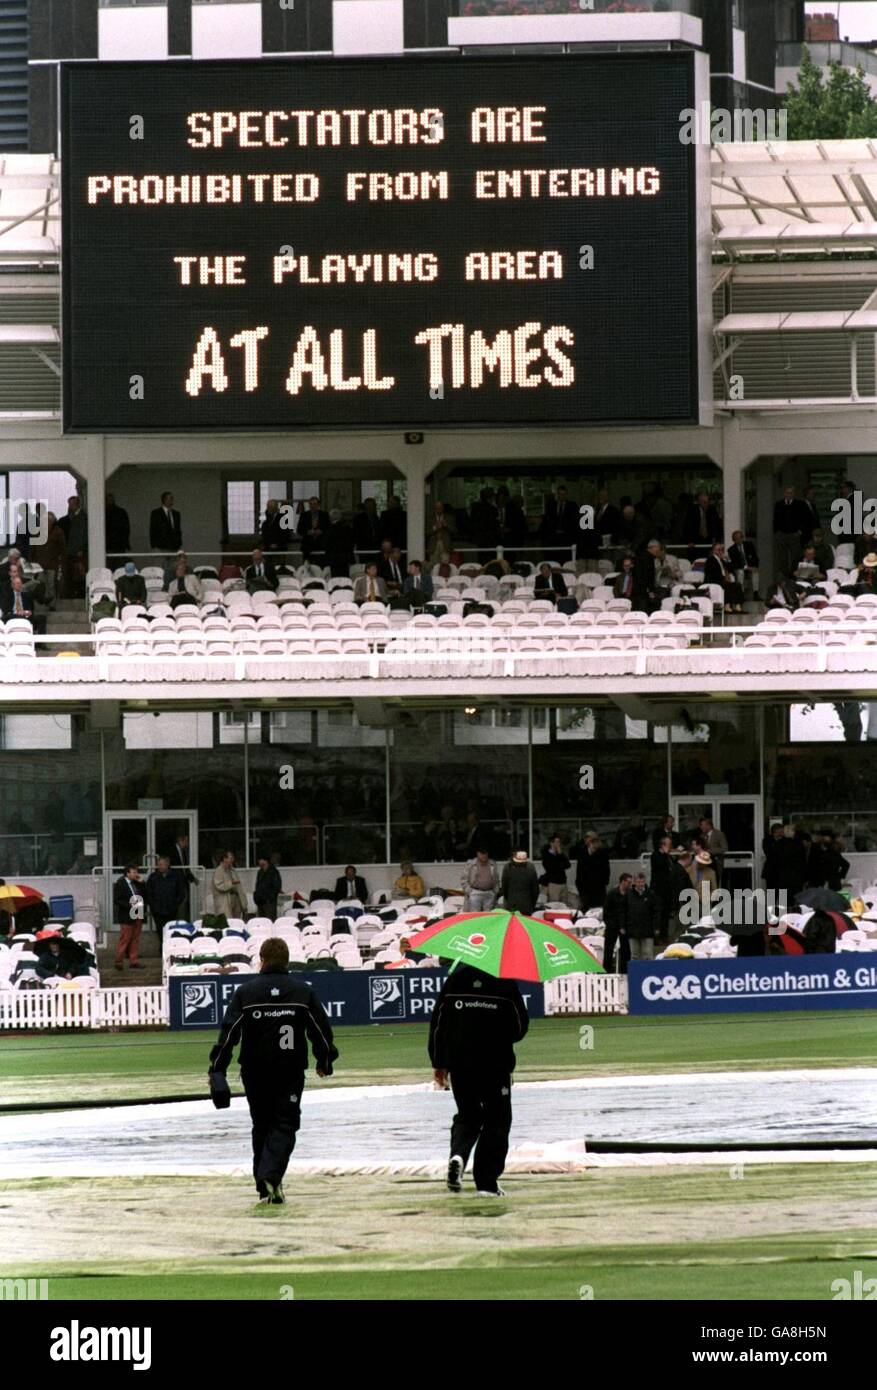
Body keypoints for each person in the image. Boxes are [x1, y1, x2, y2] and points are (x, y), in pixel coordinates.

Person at [209, 936, 338, 1205]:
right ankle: (270, 1175)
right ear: (287, 961)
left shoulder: (245, 992)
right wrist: (324, 1061)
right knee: (285, 1124)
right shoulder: (303, 992)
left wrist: (217, 1069)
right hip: (289, 1072)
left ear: (262, 960)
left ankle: (266, 1184)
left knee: (262, 1126)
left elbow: (228, 1034)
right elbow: (321, 1032)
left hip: (254, 1072)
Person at [429, 962, 529, 1198]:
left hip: (460, 1062)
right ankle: (486, 1182)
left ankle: (459, 1156)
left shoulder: (455, 979)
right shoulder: (505, 982)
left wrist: (438, 1061)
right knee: (498, 1119)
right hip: (495, 1063)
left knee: (467, 1115)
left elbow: (438, 1023)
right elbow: (519, 1027)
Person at [113, 864, 145, 971]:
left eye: (136, 872)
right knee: (125, 938)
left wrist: (142, 883)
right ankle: (119, 961)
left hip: (137, 912)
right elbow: (117, 900)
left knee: (135, 938)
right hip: (127, 914)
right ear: (127, 873)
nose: (136, 874)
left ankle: (134, 961)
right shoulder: (120, 883)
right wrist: (129, 905)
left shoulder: (136, 883)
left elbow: (143, 894)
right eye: (133, 872)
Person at [773, 486, 807, 577]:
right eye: (787, 493)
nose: (789, 494)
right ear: (784, 493)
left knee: (796, 557)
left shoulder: (799, 504)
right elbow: (776, 519)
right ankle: (784, 577)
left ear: (793, 494)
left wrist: (800, 531)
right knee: (782, 558)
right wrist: (777, 532)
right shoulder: (779, 504)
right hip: (782, 534)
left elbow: (803, 519)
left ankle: (795, 576)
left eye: (791, 493)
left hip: (794, 534)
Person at [145, 856, 184, 937]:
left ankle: (169, 948)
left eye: (162, 864)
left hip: (171, 909)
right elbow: (148, 893)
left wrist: (175, 905)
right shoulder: (153, 877)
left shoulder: (176, 876)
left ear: (167, 864)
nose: (160, 867)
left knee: (171, 930)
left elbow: (181, 893)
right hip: (157, 910)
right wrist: (153, 906)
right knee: (160, 930)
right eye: (159, 864)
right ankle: (162, 947)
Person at [572, 832, 610, 911]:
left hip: (599, 888)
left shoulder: (602, 854)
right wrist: (580, 888)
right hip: (585, 889)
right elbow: (579, 872)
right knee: (586, 910)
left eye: (596, 847)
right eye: (593, 847)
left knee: (599, 910)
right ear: (589, 844)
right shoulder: (582, 854)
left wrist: (605, 882)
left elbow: (606, 870)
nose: (594, 849)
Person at [602, 873, 632, 974]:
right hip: (612, 926)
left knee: (625, 951)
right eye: (628, 882)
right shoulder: (611, 894)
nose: (630, 884)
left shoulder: (630, 894)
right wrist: (611, 924)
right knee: (609, 950)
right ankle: (607, 972)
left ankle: (624, 972)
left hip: (625, 927)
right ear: (622, 882)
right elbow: (606, 912)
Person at [626, 871, 659, 962]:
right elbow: (623, 911)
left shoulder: (651, 894)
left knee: (648, 955)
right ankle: (636, 975)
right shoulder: (628, 895)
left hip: (647, 929)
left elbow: (656, 912)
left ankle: (650, 974)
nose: (640, 884)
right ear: (634, 882)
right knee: (634, 955)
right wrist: (623, 925)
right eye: (638, 882)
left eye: (642, 882)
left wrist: (656, 927)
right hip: (633, 929)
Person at [704, 541, 744, 614]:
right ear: (714, 551)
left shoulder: (721, 560)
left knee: (737, 585)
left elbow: (731, 568)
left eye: (721, 550)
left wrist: (727, 560)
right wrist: (724, 578)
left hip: (722, 580)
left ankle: (738, 606)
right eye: (718, 550)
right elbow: (713, 573)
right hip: (714, 581)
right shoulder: (711, 559)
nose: (720, 552)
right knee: (726, 584)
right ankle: (727, 606)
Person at [500, 849, 539, 915]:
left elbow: (504, 889)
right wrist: (532, 904)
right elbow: (535, 891)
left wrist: (509, 899)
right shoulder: (531, 872)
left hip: (512, 905)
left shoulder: (508, 872)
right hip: (527, 906)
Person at [728, 530, 760, 602]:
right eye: (736, 539)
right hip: (739, 568)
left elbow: (755, 558)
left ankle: (756, 593)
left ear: (742, 538)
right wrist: (746, 567)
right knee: (740, 573)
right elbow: (735, 564)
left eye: (740, 538)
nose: (738, 540)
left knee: (755, 572)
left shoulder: (749, 545)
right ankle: (741, 594)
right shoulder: (731, 550)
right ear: (734, 540)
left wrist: (755, 567)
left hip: (750, 567)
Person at [212, 850, 246, 919]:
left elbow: (239, 887)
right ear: (225, 859)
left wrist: (243, 903)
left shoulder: (232, 870)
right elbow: (219, 886)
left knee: (236, 922)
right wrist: (231, 883)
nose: (232, 860)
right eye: (231, 858)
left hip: (235, 900)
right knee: (227, 922)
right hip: (225, 901)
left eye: (232, 858)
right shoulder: (219, 871)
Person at [171, 832, 197, 920]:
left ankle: (182, 922)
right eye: (186, 841)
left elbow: (185, 868)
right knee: (178, 905)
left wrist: (192, 878)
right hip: (175, 884)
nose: (187, 844)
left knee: (183, 904)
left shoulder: (183, 852)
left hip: (182, 883)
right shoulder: (171, 851)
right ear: (180, 841)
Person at [540, 834, 572, 904]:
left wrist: (560, 854)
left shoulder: (560, 853)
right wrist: (560, 859)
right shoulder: (546, 855)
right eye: (557, 842)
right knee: (554, 904)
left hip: (563, 881)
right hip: (554, 882)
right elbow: (552, 868)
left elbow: (568, 865)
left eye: (559, 842)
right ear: (551, 843)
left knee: (564, 904)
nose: (559, 844)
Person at [297, 495, 330, 559]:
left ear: (318, 505)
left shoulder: (325, 515)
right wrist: (307, 532)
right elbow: (299, 530)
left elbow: (329, 529)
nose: (312, 506)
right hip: (307, 547)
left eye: (314, 504)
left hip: (321, 546)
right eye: (311, 504)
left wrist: (322, 532)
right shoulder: (304, 515)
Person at [324, 509, 355, 578]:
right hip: (345, 558)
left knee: (336, 579)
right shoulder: (347, 528)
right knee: (345, 577)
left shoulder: (330, 530)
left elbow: (325, 544)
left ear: (331, 518)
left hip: (334, 559)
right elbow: (351, 543)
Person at [105, 492, 131, 566]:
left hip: (117, 544)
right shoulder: (121, 512)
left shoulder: (120, 512)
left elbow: (126, 528)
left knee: (118, 565)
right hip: (111, 544)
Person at [253, 854, 282, 920]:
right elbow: (258, 885)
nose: (259, 862)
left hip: (269, 902)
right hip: (260, 901)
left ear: (265, 860)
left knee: (270, 920)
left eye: (260, 860)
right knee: (261, 921)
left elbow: (277, 887)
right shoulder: (260, 872)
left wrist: (269, 897)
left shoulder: (273, 872)